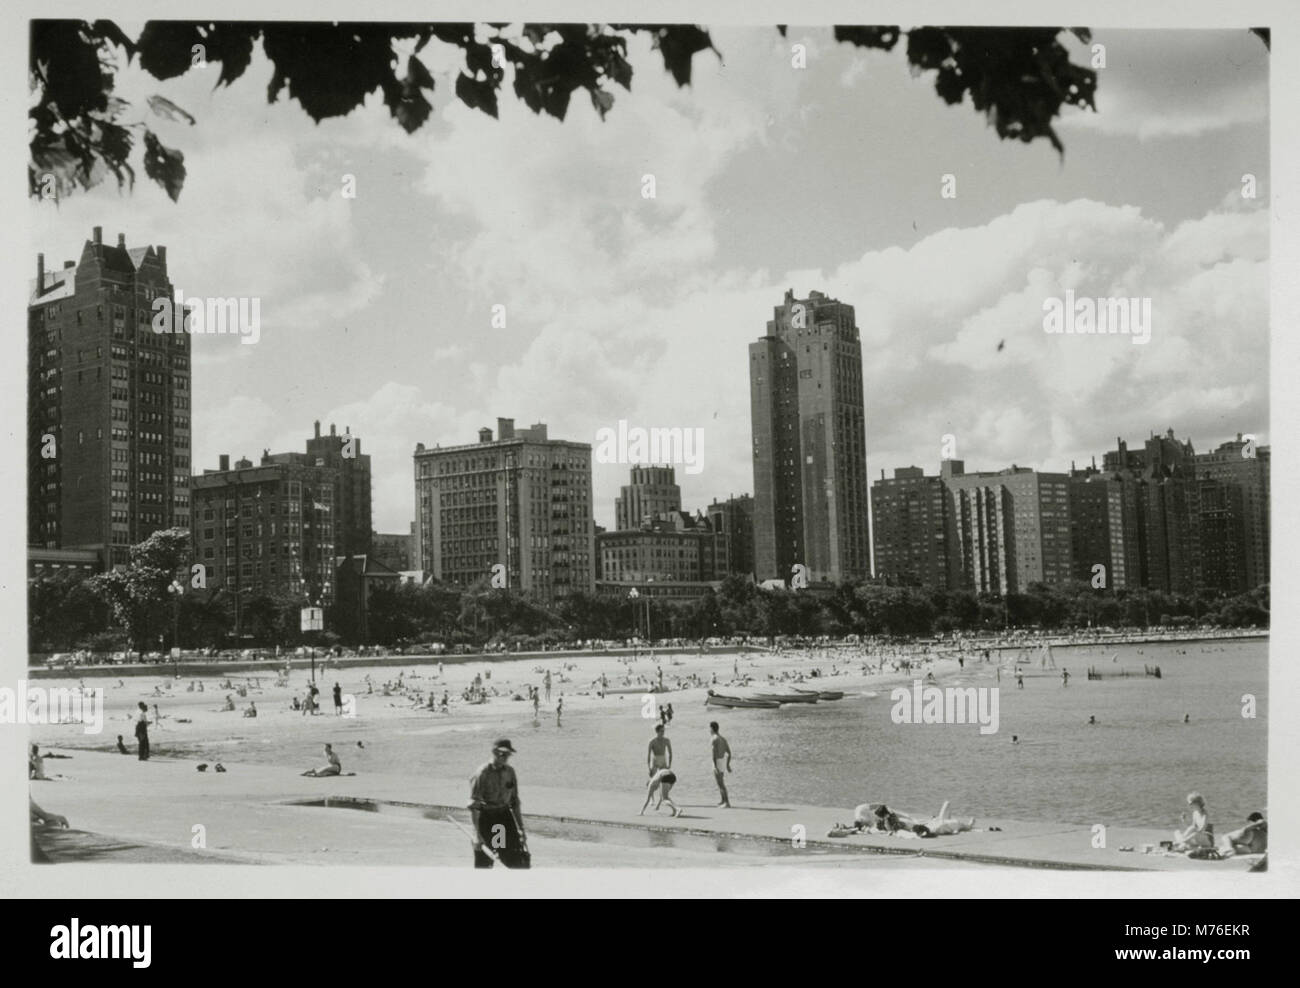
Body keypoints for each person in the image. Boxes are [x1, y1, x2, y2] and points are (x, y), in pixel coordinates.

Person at [468, 739, 528, 868]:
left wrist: (521, 828)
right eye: (502, 754)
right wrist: (476, 835)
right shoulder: (482, 773)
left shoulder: (510, 772)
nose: (506, 757)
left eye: (508, 754)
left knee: (513, 860)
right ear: (494, 752)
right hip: (487, 818)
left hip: (504, 818)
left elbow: (515, 802)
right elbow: (475, 806)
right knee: (485, 862)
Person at [709, 722, 732, 808]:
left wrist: (714, 765)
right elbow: (729, 753)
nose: (709, 730)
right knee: (720, 782)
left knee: (720, 783)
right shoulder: (723, 739)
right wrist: (728, 765)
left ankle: (727, 802)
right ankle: (723, 800)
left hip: (717, 761)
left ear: (712, 728)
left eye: (709, 728)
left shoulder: (714, 739)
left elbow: (713, 753)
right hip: (722, 761)